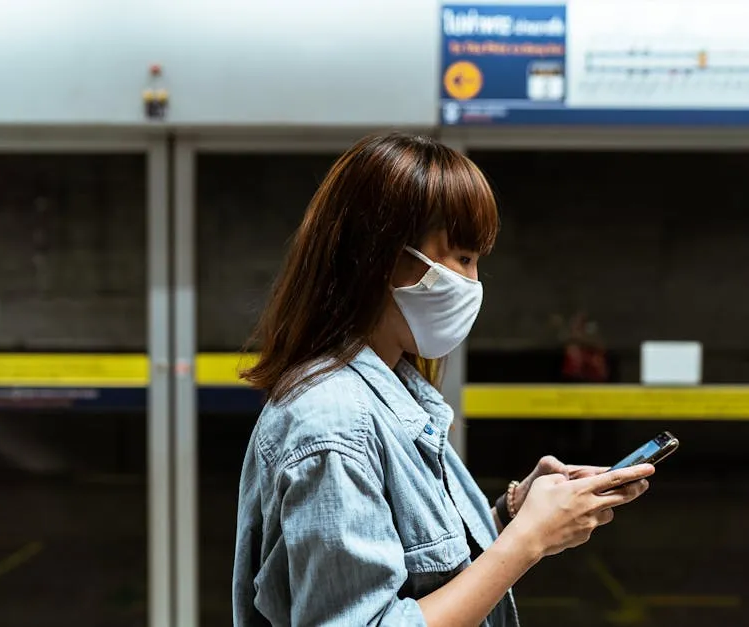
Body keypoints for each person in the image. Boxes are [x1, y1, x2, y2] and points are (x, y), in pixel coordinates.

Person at [232, 132, 654, 627]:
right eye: (463, 257)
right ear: (381, 256)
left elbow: (416, 573)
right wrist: (526, 542)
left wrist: (511, 517)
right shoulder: (334, 423)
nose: (472, 284)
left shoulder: (393, 391)